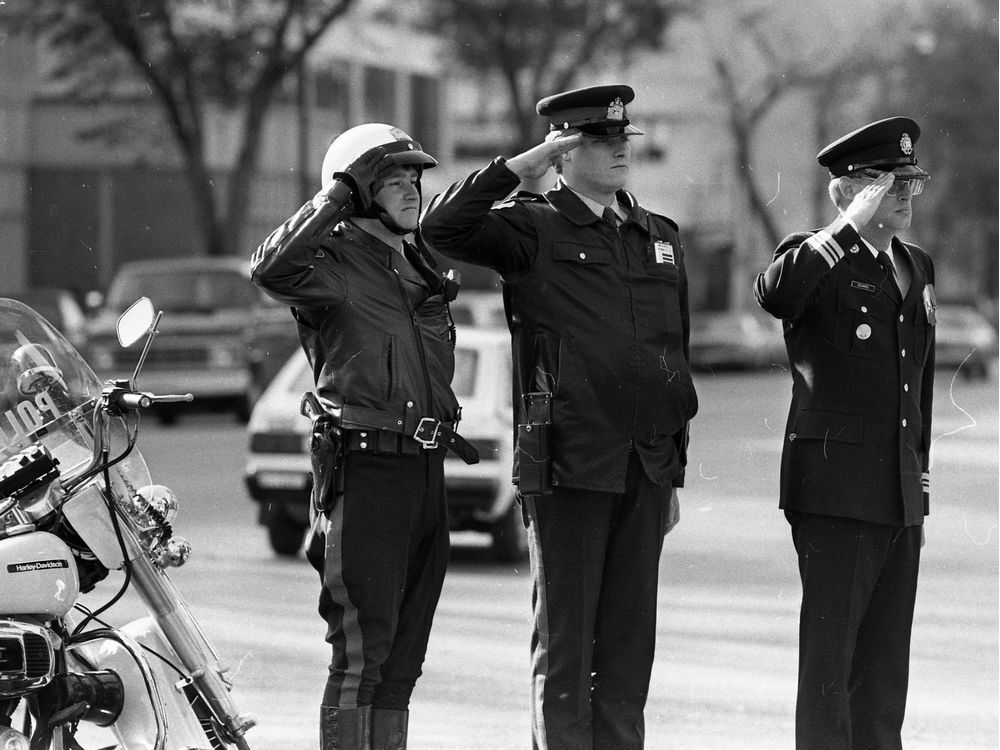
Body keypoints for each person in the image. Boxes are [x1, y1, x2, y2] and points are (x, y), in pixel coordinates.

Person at [421, 84, 698, 749]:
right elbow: (441, 227)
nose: (617, 150)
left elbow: (672, 355)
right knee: (569, 645)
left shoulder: (656, 236)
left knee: (631, 647)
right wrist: (524, 164)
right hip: (572, 458)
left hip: (646, 462)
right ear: (565, 150)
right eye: (598, 141)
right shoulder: (533, 225)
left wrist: (676, 469)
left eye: (620, 139)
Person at [250, 123, 478, 750]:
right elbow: (270, 269)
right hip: (367, 471)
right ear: (355, 192)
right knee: (361, 654)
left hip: (425, 472)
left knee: (403, 661)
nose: (411, 189)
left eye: (415, 177)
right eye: (393, 178)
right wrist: (333, 200)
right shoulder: (334, 262)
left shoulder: (418, 264)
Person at [753, 116, 935, 749]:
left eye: (912, 179)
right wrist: (846, 226)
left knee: (885, 669)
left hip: (899, 490)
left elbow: (920, 383)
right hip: (835, 490)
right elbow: (778, 295)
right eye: (889, 182)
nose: (908, 193)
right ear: (847, 191)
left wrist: (920, 472)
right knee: (830, 666)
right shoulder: (814, 253)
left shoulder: (916, 264)